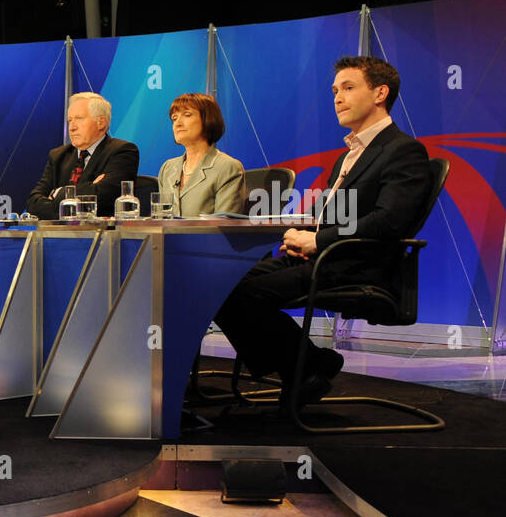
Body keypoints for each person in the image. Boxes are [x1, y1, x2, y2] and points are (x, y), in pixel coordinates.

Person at [212, 56, 430, 410]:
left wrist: (318, 240)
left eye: (348, 88)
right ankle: (309, 365)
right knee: (218, 283)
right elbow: (333, 214)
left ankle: (306, 367)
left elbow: (389, 221)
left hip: (359, 265)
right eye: (334, 91)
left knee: (245, 293)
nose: (337, 98)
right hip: (325, 257)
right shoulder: (349, 155)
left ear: (380, 93)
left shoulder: (403, 151)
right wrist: (302, 232)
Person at [27, 93, 139, 218]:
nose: (72, 127)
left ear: (101, 123)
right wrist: (88, 190)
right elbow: (33, 202)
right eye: (70, 120)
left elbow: (103, 198)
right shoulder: (58, 155)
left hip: (102, 233)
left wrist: (56, 193)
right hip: (59, 234)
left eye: (79, 118)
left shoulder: (122, 151)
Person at [156, 93, 246, 217]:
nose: (178, 123)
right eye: (174, 118)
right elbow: (161, 220)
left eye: (187, 115)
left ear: (207, 119)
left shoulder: (228, 168)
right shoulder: (167, 168)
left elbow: (224, 226)